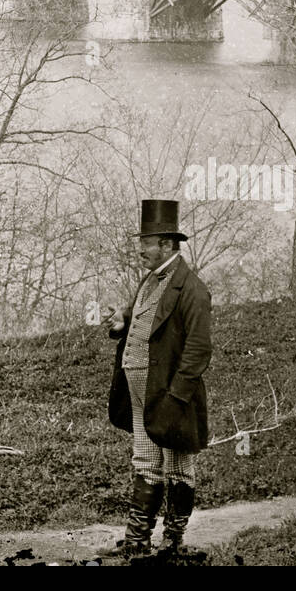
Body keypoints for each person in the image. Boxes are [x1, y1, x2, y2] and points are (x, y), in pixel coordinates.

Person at [100, 199, 212, 560]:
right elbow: (145, 317)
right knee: (146, 461)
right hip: (140, 391)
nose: (140, 251)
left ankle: (173, 543)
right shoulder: (150, 280)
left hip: (169, 395)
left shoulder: (193, 289)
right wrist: (123, 322)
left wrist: (176, 399)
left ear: (166, 244)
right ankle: (137, 541)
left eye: (146, 243)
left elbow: (198, 351)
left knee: (178, 466)